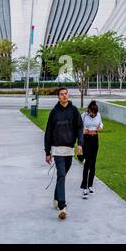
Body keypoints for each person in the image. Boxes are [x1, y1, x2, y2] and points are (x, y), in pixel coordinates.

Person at [43, 86, 83, 220]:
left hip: (69, 149)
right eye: (61, 94)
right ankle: (62, 206)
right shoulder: (54, 112)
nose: (64, 96)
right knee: (61, 174)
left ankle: (56, 196)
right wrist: (47, 152)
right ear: (58, 97)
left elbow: (79, 128)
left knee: (62, 175)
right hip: (57, 149)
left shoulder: (74, 111)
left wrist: (80, 144)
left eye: (66, 94)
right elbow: (48, 132)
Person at [80, 100, 102, 198]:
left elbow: (101, 124)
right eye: (92, 113)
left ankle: (90, 185)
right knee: (87, 163)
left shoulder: (98, 115)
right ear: (89, 110)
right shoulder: (84, 115)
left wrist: (98, 128)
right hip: (86, 140)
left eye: (95, 113)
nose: (94, 115)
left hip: (95, 140)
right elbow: (79, 127)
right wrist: (85, 131)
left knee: (93, 163)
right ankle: (84, 187)